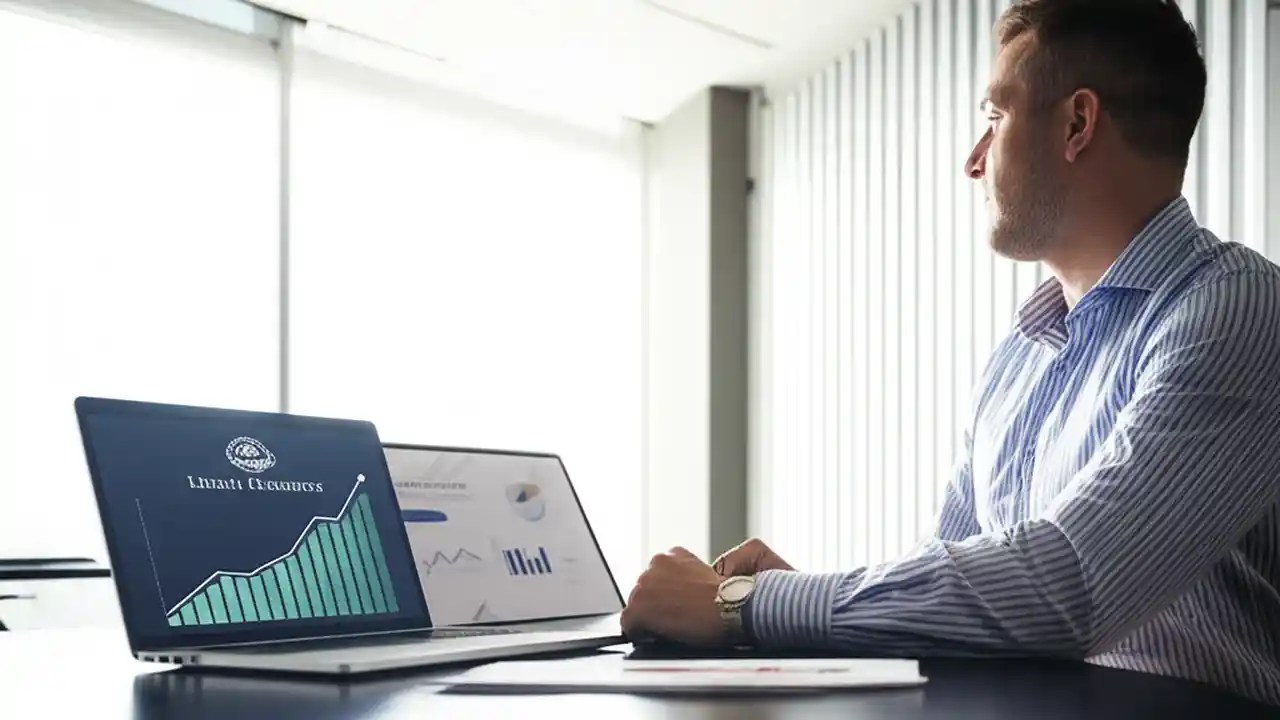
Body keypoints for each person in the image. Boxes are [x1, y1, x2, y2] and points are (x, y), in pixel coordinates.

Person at [620, 0, 1280, 707]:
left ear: (1077, 125)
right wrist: (797, 608)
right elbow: (967, 600)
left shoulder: (1238, 308)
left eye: (994, 117)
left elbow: (1071, 586)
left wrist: (746, 605)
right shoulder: (1017, 362)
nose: (973, 160)